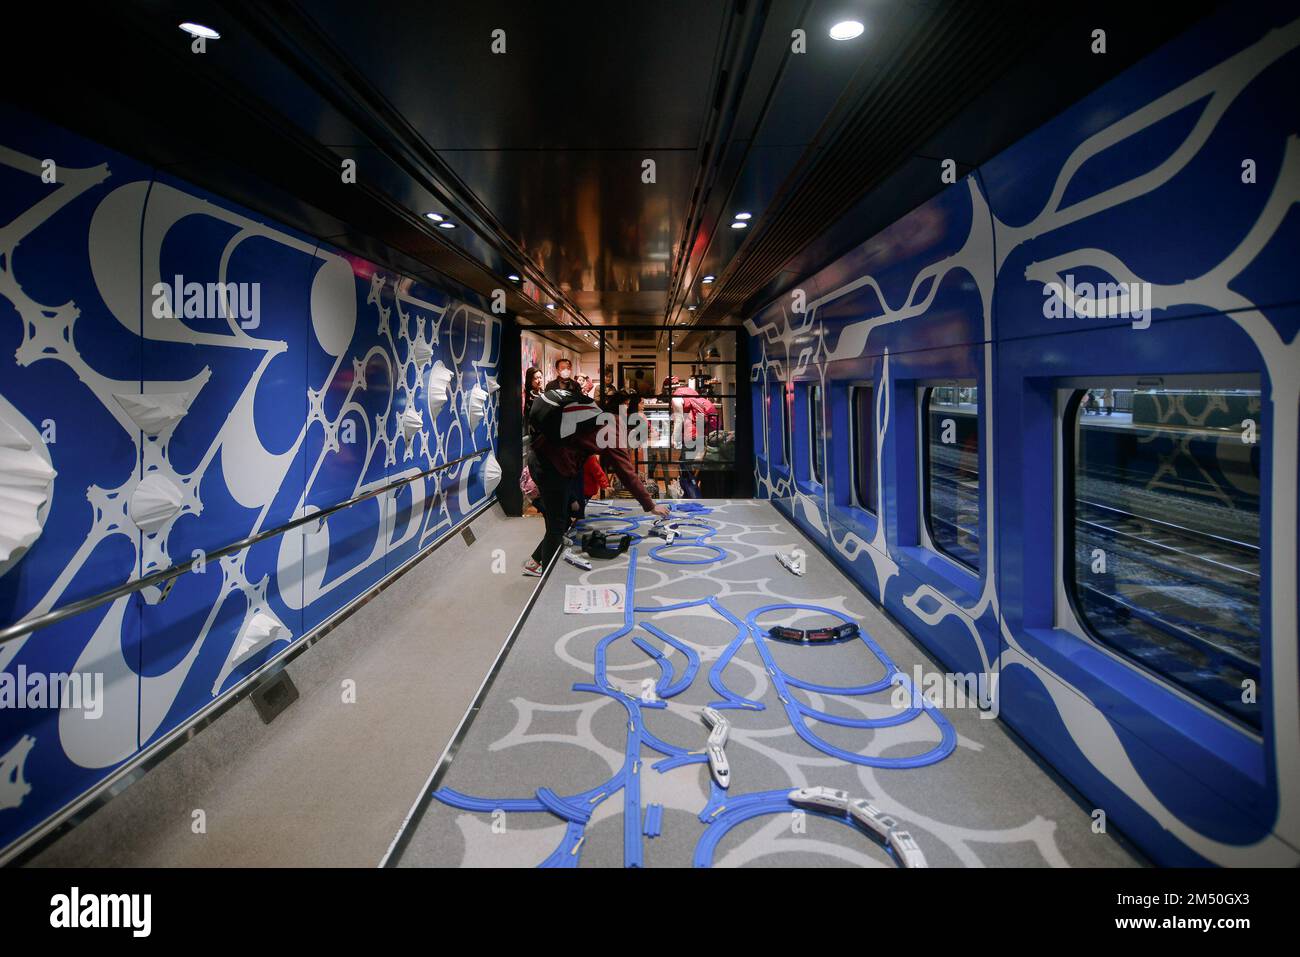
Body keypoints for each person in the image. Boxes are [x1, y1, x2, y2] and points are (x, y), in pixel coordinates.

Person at [522, 390, 669, 575]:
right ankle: (545, 575)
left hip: (552, 462)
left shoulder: (607, 418)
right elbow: (626, 473)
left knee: (564, 517)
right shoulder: (614, 431)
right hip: (551, 466)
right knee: (557, 524)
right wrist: (651, 505)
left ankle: (537, 560)